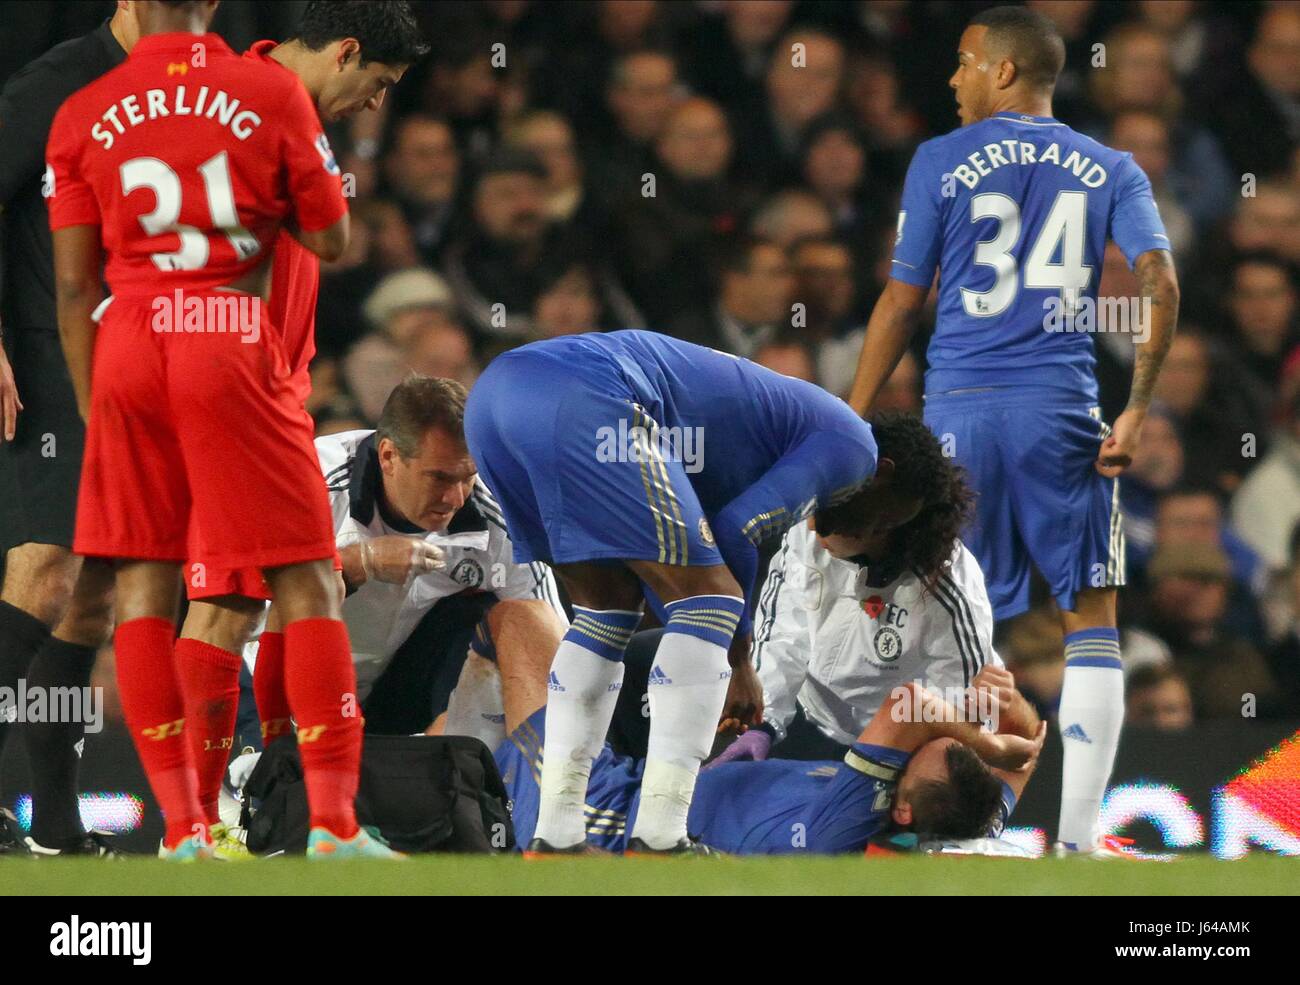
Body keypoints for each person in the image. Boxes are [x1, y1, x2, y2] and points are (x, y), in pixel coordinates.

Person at [45, 0, 390, 860]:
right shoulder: (270, 99)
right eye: (378, 84)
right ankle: (333, 827)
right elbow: (333, 234)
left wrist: (96, 404)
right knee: (305, 577)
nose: (375, 103)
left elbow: (69, 284)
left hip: (127, 343)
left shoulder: (84, 105)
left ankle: (183, 828)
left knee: (149, 589)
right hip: (232, 345)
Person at [847, 6, 1180, 856]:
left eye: (963, 63)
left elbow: (900, 299)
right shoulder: (1111, 166)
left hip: (957, 414)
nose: (953, 79)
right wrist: (1137, 405)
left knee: (963, 630)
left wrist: (851, 415)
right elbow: (1159, 282)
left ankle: (957, 834)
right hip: (1062, 416)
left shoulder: (939, 161)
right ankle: (1072, 844)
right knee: (1090, 622)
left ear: (1001, 71)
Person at [465, 329, 880, 854]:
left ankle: (558, 836)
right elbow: (737, 531)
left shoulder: (765, 422)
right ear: (887, 475)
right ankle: (660, 838)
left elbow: (694, 553)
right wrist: (739, 659)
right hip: (585, 395)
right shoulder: (855, 446)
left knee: (606, 613)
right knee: (713, 601)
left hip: (494, 398)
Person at [0, 0, 140, 860]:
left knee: (97, 588)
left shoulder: (179, 95)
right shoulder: (54, 84)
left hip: (132, 361)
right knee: (46, 567)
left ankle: (53, 819)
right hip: (47, 351)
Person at [493, 636, 1044, 854]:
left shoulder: (845, 823)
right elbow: (1030, 744)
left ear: (899, 807)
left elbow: (908, 708)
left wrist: (988, 744)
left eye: (922, 746)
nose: (934, 733)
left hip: (604, 814)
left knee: (521, 618)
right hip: (648, 775)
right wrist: (1009, 700)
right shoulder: (965, 812)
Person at [249, 375, 568, 743]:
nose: (456, 498)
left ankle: (487, 770)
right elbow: (237, 600)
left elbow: (549, 632)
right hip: (276, 687)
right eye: (439, 478)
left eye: (468, 477)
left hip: (392, 694)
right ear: (388, 456)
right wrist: (359, 562)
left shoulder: (494, 514)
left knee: (512, 616)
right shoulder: (309, 483)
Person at [741, 412, 1001, 762]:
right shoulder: (805, 534)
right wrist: (765, 722)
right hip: (809, 719)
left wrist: (895, 762)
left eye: (831, 519)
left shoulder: (949, 589)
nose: (815, 528)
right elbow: (783, 636)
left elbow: (960, 705)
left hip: (899, 742)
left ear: (878, 524)